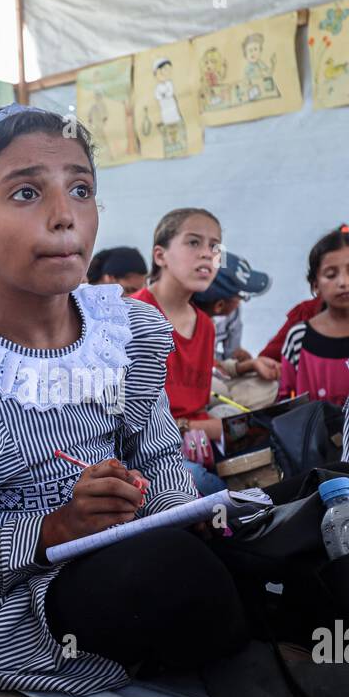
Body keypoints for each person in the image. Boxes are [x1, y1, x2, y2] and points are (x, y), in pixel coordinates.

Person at [0, 105, 250, 694]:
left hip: (135, 542)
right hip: (32, 596)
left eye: (81, 190)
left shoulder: (123, 331)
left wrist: (175, 510)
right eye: (26, 193)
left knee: (254, 526)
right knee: (169, 578)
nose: (63, 217)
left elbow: (156, 457)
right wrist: (61, 525)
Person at [132, 208, 227, 495]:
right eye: (193, 242)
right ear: (160, 256)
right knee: (212, 488)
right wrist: (194, 427)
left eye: (214, 246)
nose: (206, 254)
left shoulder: (207, 326)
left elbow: (196, 406)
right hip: (148, 455)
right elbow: (129, 421)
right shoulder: (132, 314)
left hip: (197, 447)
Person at [277, 226, 349, 406]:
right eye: (331, 275)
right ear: (315, 285)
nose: (344, 282)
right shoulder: (299, 339)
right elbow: (286, 400)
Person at [192, 249, 280, 412]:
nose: (241, 304)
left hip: (215, 378)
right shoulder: (186, 321)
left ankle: (224, 411)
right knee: (218, 389)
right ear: (219, 305)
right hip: (195, 386)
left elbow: (221, 365)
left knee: (266, 385)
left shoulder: (221, 317)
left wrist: (251, 364)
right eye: (241, 298)